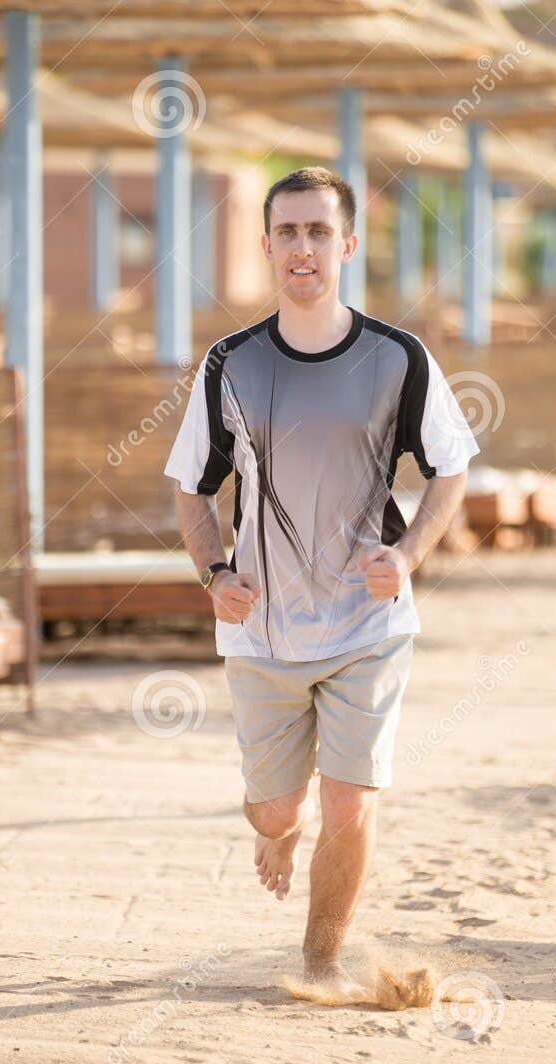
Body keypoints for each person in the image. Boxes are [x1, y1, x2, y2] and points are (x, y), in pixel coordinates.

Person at [165, 166, 477, 998]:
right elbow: (191, 486)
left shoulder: (398, 357)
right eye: (288, 232)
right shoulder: (229, 364)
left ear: (347, 244)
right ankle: (278, 825)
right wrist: (214, 574)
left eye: (318, 231)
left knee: (351, 805)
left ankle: (321, 962)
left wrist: (406, 557)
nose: (302, 247)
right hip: (262, 630)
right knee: (278, 809)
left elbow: (451, 467)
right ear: (267, 245)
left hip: (367, 626)